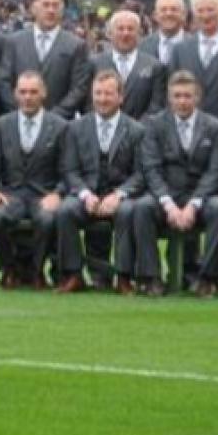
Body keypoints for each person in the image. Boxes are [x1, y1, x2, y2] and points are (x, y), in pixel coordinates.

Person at [134, 70, 218, 297]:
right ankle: (151, 277)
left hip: (200, 194)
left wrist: (194, 204)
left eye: (187, 96)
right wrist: (168, 205)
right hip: (165, 194)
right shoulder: (154, 125)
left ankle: (207, 278)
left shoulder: (215, 127)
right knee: (142, 207)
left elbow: (215, 171)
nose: (182, 101)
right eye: (177, 96)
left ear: (197, 97)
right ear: (169, 98)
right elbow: (151, 169)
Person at [53, 70, 147, 294]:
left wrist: (119, 195)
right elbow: (69, 170)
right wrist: (85, 194)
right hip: (87, 194)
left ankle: (123, 278)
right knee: (65, 210)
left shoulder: (137, 130)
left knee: (127, 212)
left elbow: (141, 174)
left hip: (119, 196)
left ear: (120, 97)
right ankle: (73, 275)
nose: (103, 99)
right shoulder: (74, 128)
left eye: (108, 94)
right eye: (98, 93)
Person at [0, 71, 70, 290]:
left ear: (44, 93)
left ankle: (36, 271)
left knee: (47, 220)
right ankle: (9, 269)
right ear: (15, 94)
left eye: (33, 92)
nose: (28, 97)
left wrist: (58, 194)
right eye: (23, 92)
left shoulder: (60, 126)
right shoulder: (1, 124)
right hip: (11, 194)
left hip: (43, 194)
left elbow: (67, 169)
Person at [0, 0, 90, 118]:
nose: (51, 10)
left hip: (60, 127)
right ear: (34, 8)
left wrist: (52, 119)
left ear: (63, 9)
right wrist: (20, 113)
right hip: (19, 123)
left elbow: (79, 88)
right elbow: (4, 83)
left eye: (55, 5)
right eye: (46, 5)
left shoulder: (76, 46)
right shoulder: (13, 42)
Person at [90, 9, 166, 119]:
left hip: (142, 132)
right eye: (120, 29)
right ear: (109, 33)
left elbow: (156, 106)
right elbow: (88, 104)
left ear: (140, 33)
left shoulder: (155, 66)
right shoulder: (94, 64)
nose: (125, 33)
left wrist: (137, 131)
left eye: (130, 29)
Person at [139, 0, 191, 65]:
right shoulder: (142, 47)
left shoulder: (195, 47)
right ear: (155, 15)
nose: (168, 14)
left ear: (184, 14)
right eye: (163, 10)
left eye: (174, 9)